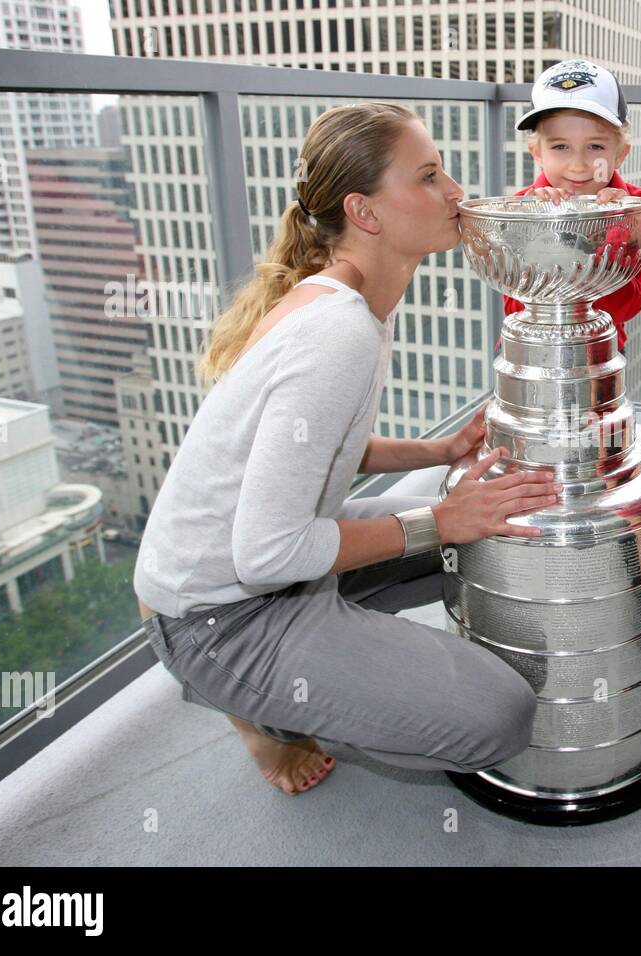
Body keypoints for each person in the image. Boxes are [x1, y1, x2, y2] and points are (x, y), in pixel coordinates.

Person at [133, 102, 561, 796]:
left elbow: (318, 447)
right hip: (220, 619)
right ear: (365, 212)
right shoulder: (339, 331)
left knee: (492, 529)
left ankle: (322, 662)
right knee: (499, 717)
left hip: (269, 575)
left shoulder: (344, 301)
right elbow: (266, 553)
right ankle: (262, 711)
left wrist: (440, 451)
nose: (456, 192)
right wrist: (439, 522)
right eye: (428, 177)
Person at [497, 59, 641, 356]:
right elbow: (515, 306)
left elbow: (628, 305)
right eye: (560, 147)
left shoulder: (636, 206)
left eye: (595, 147)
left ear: (620, 154)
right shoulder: (521, 206)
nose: (578, 164)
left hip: (598, 351)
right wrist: (543, 229)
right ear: (536, 153)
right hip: (526, 349)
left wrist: (614, 226)